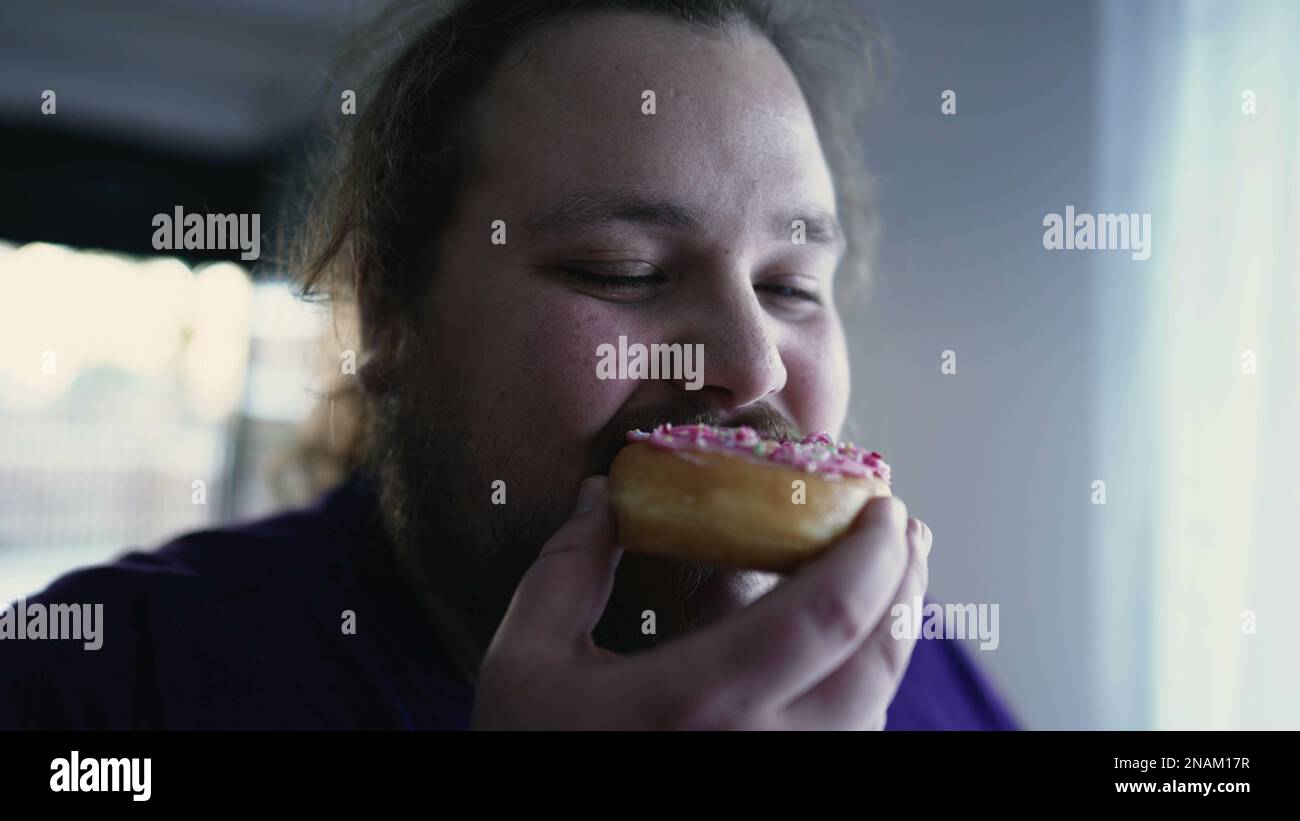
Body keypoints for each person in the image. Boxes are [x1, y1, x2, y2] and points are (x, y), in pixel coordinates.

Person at [0, 0, 1017, 730]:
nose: (751, 365)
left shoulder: (915, 665)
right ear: (388, 311)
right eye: (617, 270)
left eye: (791, 285)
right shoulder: (92, 681)